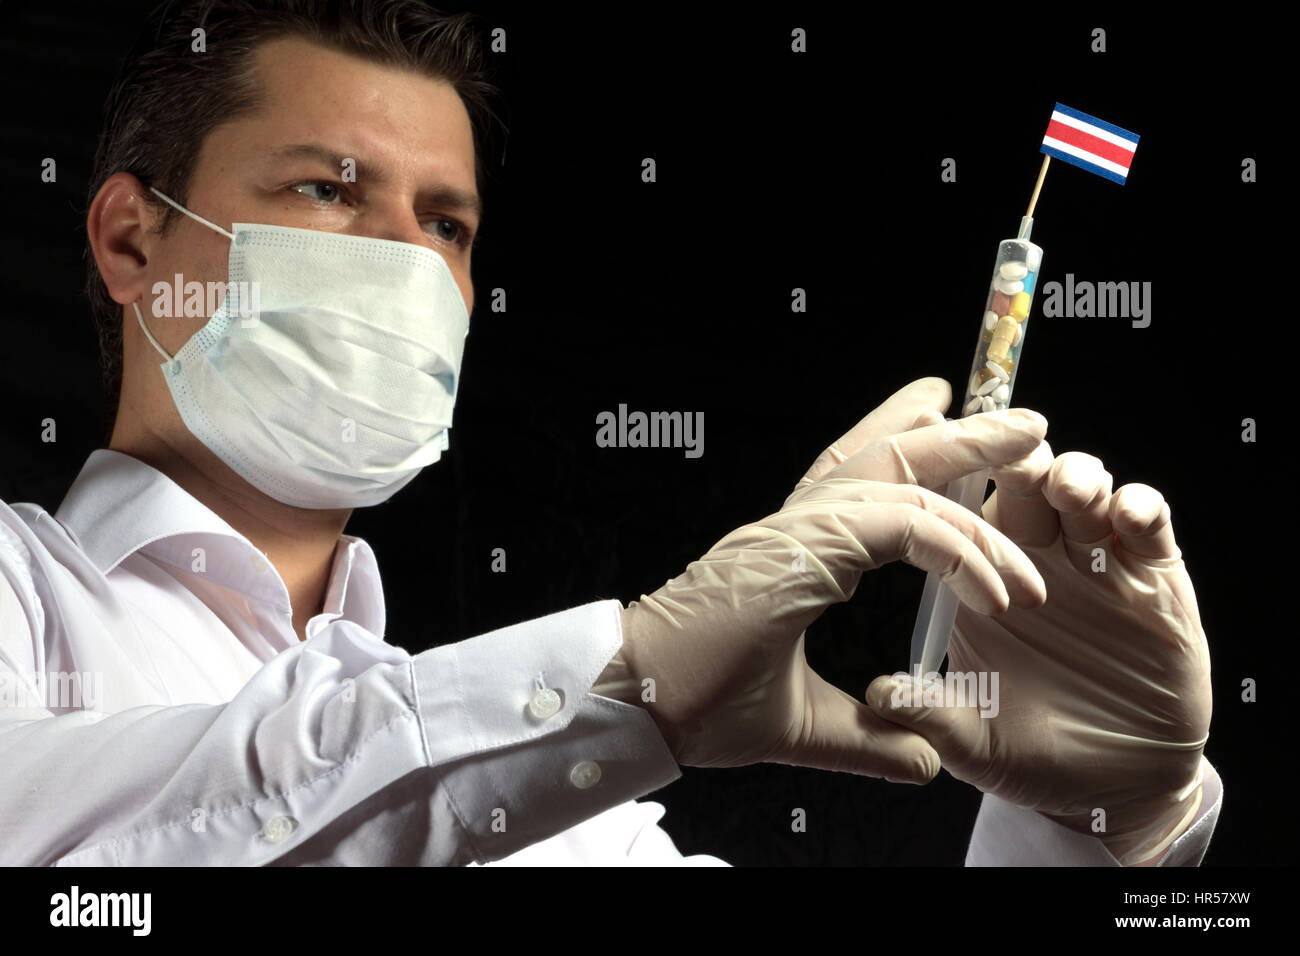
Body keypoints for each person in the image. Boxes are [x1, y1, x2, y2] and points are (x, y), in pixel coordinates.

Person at [0, 0, 1219, 866]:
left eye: (449, 225)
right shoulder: (18, 596)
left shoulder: (569, 810)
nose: (405, 259)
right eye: (328, 188)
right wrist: (631, 677)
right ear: (129, 240)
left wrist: (1102, 825)